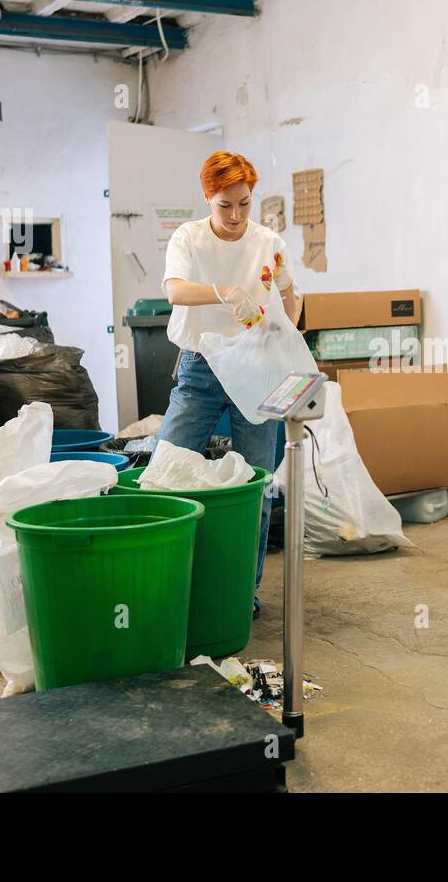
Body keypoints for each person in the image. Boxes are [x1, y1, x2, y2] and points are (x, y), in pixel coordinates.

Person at [159, 151, 301, 617]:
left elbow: (289, 294)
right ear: (208, 197)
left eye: (244, 203)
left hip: (255, 365)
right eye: (225, 205)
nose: (237, 215)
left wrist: (282, 334)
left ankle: (242, 591)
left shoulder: (268, 242)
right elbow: (175, 291)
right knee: (167, 469)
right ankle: (166, 582)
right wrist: (226, 293)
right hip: (201, 365)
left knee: (255, 482)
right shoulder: (189, 237)